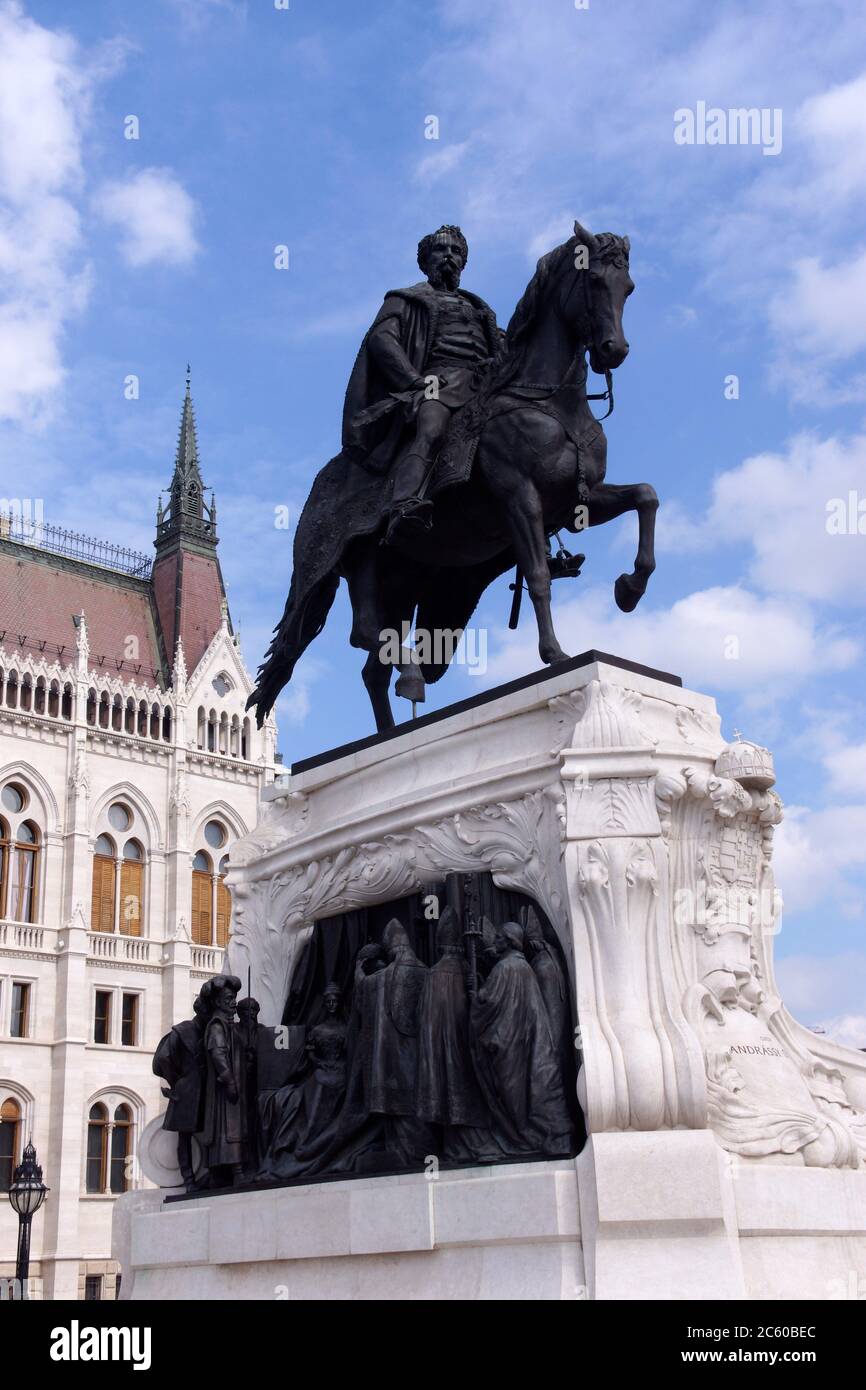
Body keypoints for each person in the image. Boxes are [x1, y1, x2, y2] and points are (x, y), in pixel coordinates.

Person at [342, 225, 503, 543]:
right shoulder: (406, 300)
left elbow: (503, 347)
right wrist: (414, 381)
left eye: (456, 252)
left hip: (483, 387)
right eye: (441, 250)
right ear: (425, 260)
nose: (449, 257)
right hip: (435, 382)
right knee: (432, 427)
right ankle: (403, 505)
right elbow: (382, 340)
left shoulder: (480, 309)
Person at [470, 922, 573, 1156]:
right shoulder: (523, 966)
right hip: (524, 1044)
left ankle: (526, 1136)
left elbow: (488, 1005)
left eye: (498, 938)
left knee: (512, 1092)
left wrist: (473, 996)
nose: (495, 941)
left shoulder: (505, 969)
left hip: (512, 1048)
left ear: (508, 941)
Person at [416, 907, 499, 1163]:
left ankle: (456, 1145)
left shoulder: (434, 974)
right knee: (465, 1088)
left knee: (451, 1091)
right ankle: (463, 1146)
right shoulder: (465, 970)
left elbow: (422, 1016)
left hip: (442, 1050)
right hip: (463, 1045)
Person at [152, 991, 211, 1191]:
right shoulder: (184, 1030)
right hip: (187, 1090)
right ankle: (188, 1179)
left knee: (209, 1131)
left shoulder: (210, 1030)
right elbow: (163, 1059)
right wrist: (176, 1081)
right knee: (184, 1137)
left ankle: (207, 1174)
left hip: (205, 1088)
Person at [200, 974, 247, 1184]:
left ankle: (222, 1172)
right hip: (224, 1090)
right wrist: (229, 1081)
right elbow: (218, 1054)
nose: (233, 1003)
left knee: (232, 1127)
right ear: (218, 1002)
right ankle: (235, 1171)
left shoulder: (229, 1025)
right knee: (228, 1128)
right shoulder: (217, 1026)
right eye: (229, 999)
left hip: (233, 1086)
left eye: (234, 999)